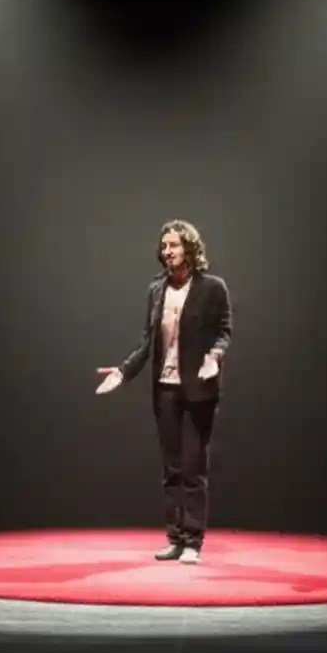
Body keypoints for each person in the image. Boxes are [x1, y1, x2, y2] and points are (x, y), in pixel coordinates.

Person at [95, 219, 233, 565]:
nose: (167, 251)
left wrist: (215, 357)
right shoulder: (157, 290)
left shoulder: (213, 287)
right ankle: (175, 537)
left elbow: (224, 331)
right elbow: (148, 342)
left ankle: (193, 541)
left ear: (189, 247)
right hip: (165, 390)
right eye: (164, 246)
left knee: (193, 467)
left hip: (199, 389)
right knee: (171, 468)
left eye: (173, 245)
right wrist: (124, 371)